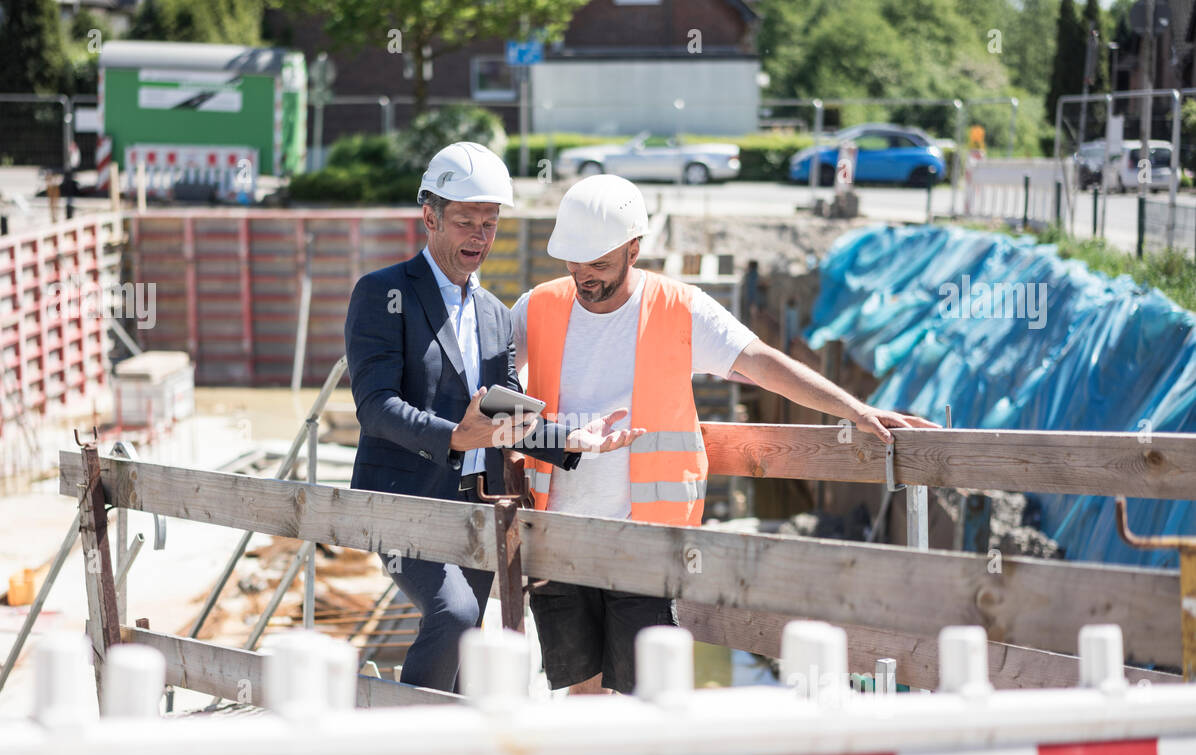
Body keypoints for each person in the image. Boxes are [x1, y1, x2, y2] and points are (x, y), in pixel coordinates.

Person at [510, 174, 939, 695]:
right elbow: (489, 396)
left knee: (645, 697)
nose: (584, 278)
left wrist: (852, 409)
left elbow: (761, 362)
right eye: (574, 263)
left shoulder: (678, 308)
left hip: (645, 543)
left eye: (599, 264)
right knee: (581, 693)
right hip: (561, 539)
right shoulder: (537, 307)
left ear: (633, 248)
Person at [345, 143, 638, 693]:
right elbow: (375, 406)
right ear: (428, 216)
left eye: (490, 223)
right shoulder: (383, 293)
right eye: (464, 222)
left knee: (467, 634)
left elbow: (505, 410)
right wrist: (454, 435)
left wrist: (571, 440)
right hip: (398, 503)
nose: (479, 236)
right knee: (452, 615)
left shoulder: (496, 316)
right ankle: (402, 739)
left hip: (473, 507)